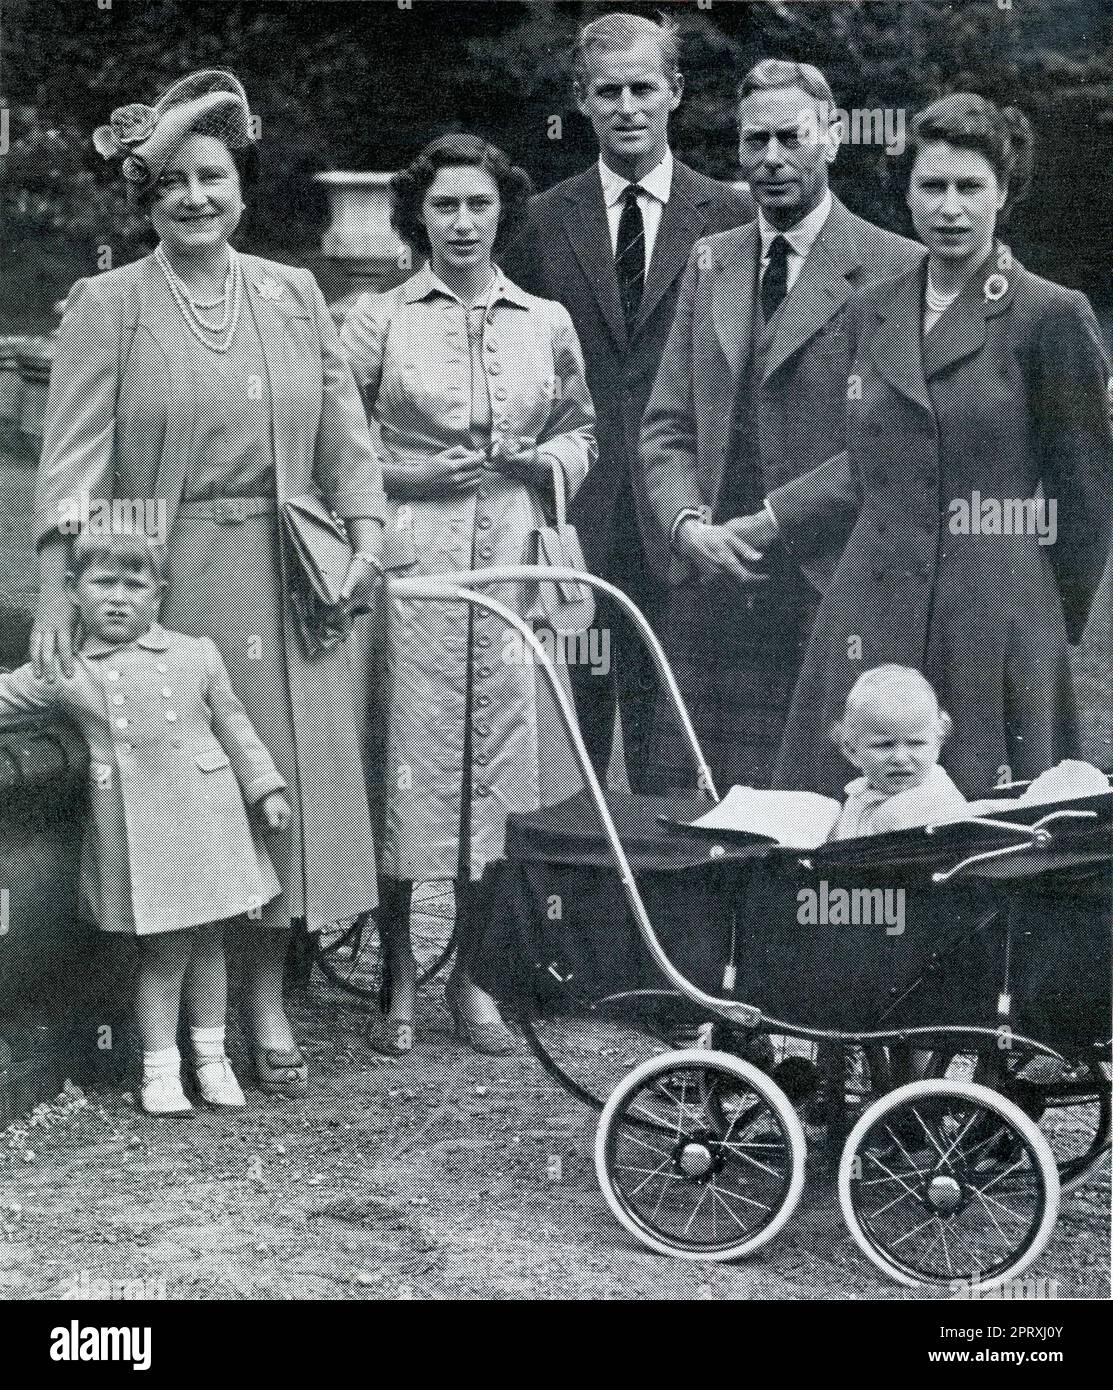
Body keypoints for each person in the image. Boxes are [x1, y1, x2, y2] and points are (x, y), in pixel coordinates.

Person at [32, 70, 387, 1098]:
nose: (193, 198)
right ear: (148, 204)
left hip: (289, 575)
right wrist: (60, 589)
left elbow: (342, 434)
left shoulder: (291, 291)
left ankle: (266, 998)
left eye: (213, 178)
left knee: (278, 786)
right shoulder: (110, 304)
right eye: (172, 184)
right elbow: (72, 466)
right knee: (194, 792)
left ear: (242, 188)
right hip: (165, 580)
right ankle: (180, 1020)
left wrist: (364, 536)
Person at [755, 94, 1113, 799]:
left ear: (1003, 193)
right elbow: (866, 465)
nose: (949, 208)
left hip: (992, 614)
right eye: (932, 186)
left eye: (969, 187)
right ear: (907, 195)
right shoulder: (869, 308)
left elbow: (1086, 495)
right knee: (846, 820)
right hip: (868, 603)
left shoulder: (1048, 314)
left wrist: (1036, 615)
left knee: (984, 836)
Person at [339, 134, 596, 1056]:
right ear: (421, 215)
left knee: (501, 775)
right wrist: (404, 477)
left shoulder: (545, 320)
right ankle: (399, 978)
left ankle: (475, 981)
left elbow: (583, 431)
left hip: (516, 567)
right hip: (416, 570)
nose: (460, 222)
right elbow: (335, 443)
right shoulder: (378, 321)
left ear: (501, 214)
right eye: (444, 206)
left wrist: (543, 462)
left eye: (477, 205)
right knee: (406, 765)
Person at [639, 60, 923, 798]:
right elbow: (666, 424)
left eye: (790, 137)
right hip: (708, 582)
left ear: (829, 138)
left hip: (824, 584)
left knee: (810, 810)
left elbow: (883, 445)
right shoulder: (712, 262)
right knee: (697, 811)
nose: (770, 158)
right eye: (753, 140)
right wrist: (685, 525)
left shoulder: (895, 268)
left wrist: (769, 523)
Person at [502, 13, 750, 793]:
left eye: (643, 87)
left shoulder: (733, 218)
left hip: (686, 517)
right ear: (581, 100)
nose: (627, 107)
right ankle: (570, 907)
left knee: (673, 752)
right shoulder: (540, 222)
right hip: (570, 521)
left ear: (674, 92)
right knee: (561, 751)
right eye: (607, 92)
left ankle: (666, 909)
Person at [0, 531, 292, 1115]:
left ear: (159, 595)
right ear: (75, 594)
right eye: (102, 583)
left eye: (135, 586)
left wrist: (265, 788)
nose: (118, 598)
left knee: (212, 943)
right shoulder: (68, 671)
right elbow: (8, 694)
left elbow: (234, 725)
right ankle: (161, 1066)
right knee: (161, 951)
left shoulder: (197, 653)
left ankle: (212, 1060)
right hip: (141, 830)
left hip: (211, 819)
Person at [827, 666, 968, 840]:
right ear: (852, 751)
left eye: (916, 743)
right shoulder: (859, 796)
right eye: (884, 745)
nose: (900, 758)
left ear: (937, 744)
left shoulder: (934, 803)